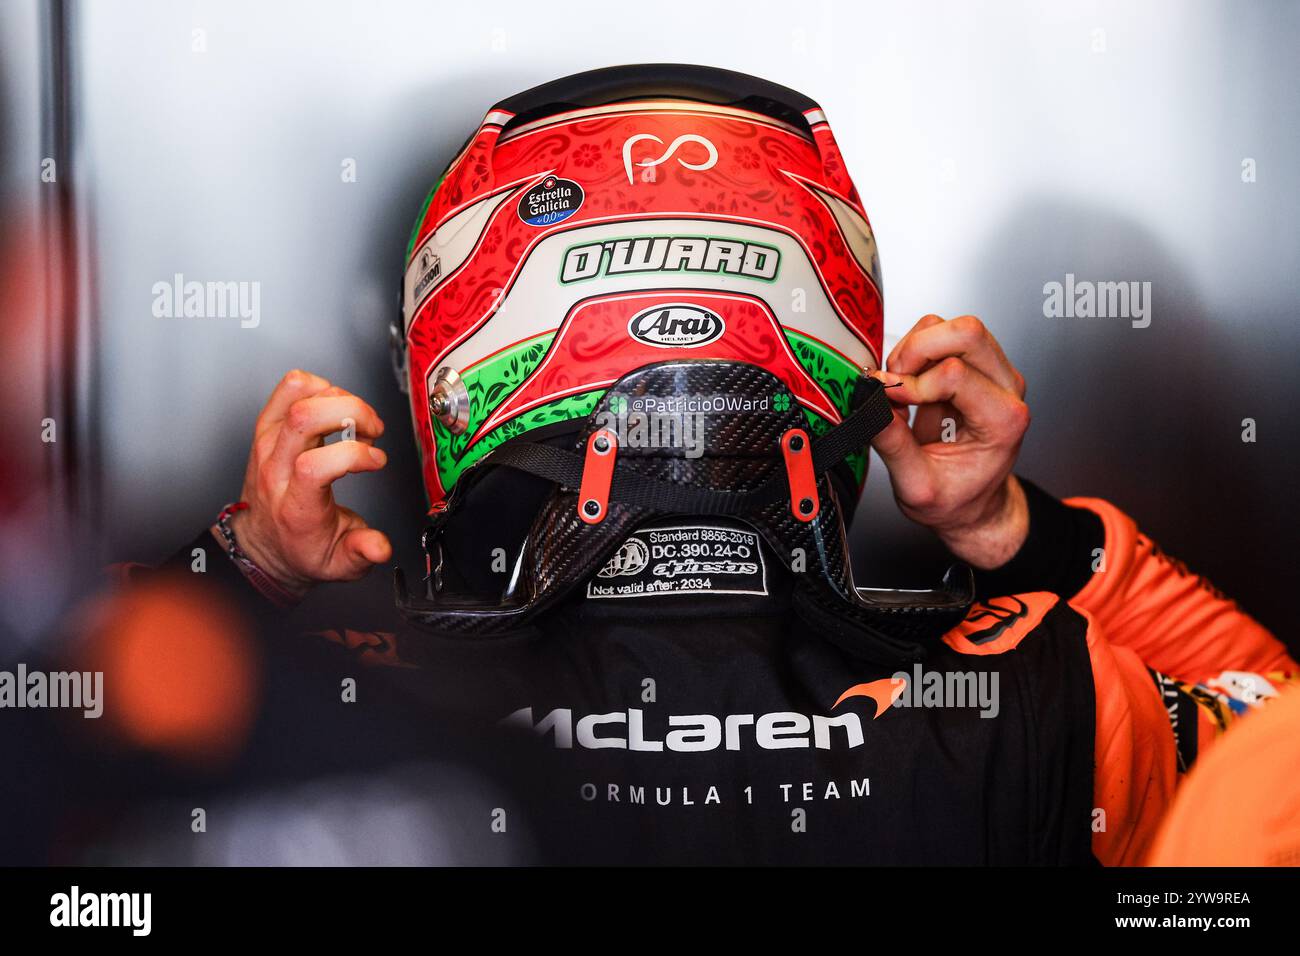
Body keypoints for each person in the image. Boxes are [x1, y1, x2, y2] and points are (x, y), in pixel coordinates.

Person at [130, 66, 1297, 864]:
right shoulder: (1043, 693)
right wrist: (1013, 530)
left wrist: (243, 570)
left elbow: (68, 799)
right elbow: (1277, 762)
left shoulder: (357, 706)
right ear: (835, 341)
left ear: (458, 351)